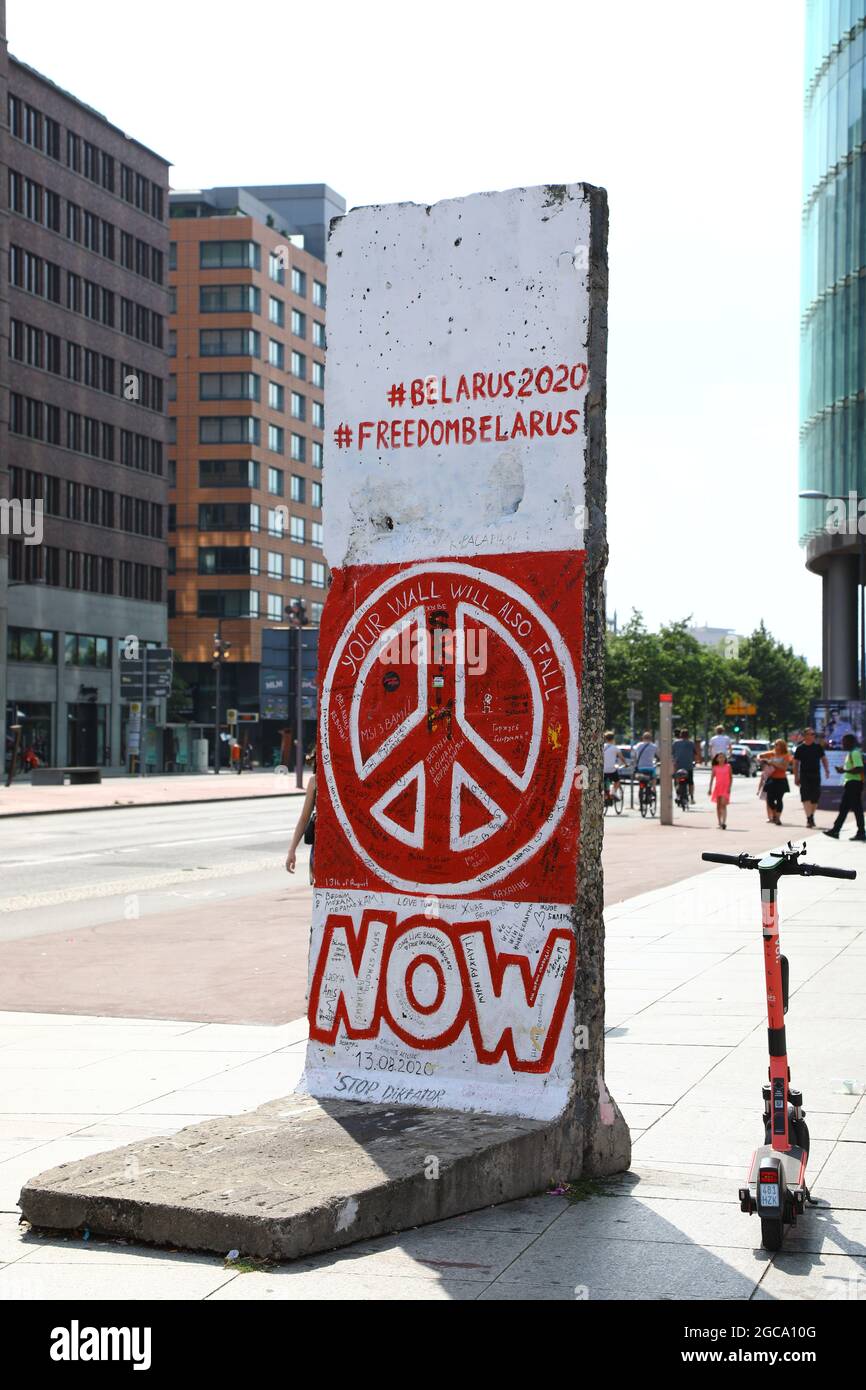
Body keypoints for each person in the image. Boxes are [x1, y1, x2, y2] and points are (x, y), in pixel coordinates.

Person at [824, 733, 866, 841]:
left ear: (850, 742)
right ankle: (836, 830)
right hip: (850, 783)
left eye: (844, 741)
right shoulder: (850, 753)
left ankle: (859, 832)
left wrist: (844, 770)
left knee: (856, 808)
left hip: (854, 783)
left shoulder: (855, 753)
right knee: (845, 808)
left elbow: (859, 768)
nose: (842, 743)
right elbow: (852, 767)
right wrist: (842, 769)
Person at [286, 751, 318, 882]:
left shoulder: (347, 778)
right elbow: (304, 819)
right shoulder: (315, 781)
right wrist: (291, 850)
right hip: (321, 847)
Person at [793, 727, 829, 829]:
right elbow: (795, 763)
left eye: (813, 734)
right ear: (805, 736)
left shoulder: (818, 747)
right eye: (811, 734)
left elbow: (824, 759)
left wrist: (827, 770)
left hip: (816, 775)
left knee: (815, 798)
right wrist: (796, 776)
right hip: (804, 776)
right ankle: (809, 818)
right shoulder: (800, 748)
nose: (813, 736)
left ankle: (811, 816)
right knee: (806, 797)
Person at [759, 739, 793, 826]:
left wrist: (773, 762)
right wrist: (762, 760)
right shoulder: (772, 753)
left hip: (781, 779)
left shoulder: (786, 755)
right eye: (775, 744)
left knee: (779, 799)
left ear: (782, 746)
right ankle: (774, 815)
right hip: (771, 778)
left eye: (777, 744)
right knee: (770, 799)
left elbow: (784, 767)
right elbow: (760, 756)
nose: (775, 746)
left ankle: (777, 818)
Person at [672, 726, 696, 803]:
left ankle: (678, 795)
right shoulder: (691, 743)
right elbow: (695, 753)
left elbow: (672, 753)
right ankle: (692, 797)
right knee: (690, 782)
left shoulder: (675, 743)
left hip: (678, 766)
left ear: (680, 735)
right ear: (688, 735)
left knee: (676, 780)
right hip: (688, 766)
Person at [708, 751, 732, 828]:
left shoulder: (728, 766)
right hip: (718, 788)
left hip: (725, 788)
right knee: (718, 806)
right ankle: (719, 822)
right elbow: (712, 779)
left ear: (725, 758)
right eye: (720, 757)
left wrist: (729, 788)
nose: (721, 759)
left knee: (723, 805)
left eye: (723, 757)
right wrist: (710, 789)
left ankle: (724, 822)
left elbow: (731, 778)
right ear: (717, 759)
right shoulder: (715, 767)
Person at [602, 731, 625, 802]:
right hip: (611, 770)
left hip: (603, 770)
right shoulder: (615, 748)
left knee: (603, 782)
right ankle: (612, 792)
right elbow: (622, 758)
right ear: (613, 739)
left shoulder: (602, 747)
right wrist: (625, 764)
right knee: (617, 782)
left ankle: (604, 795)